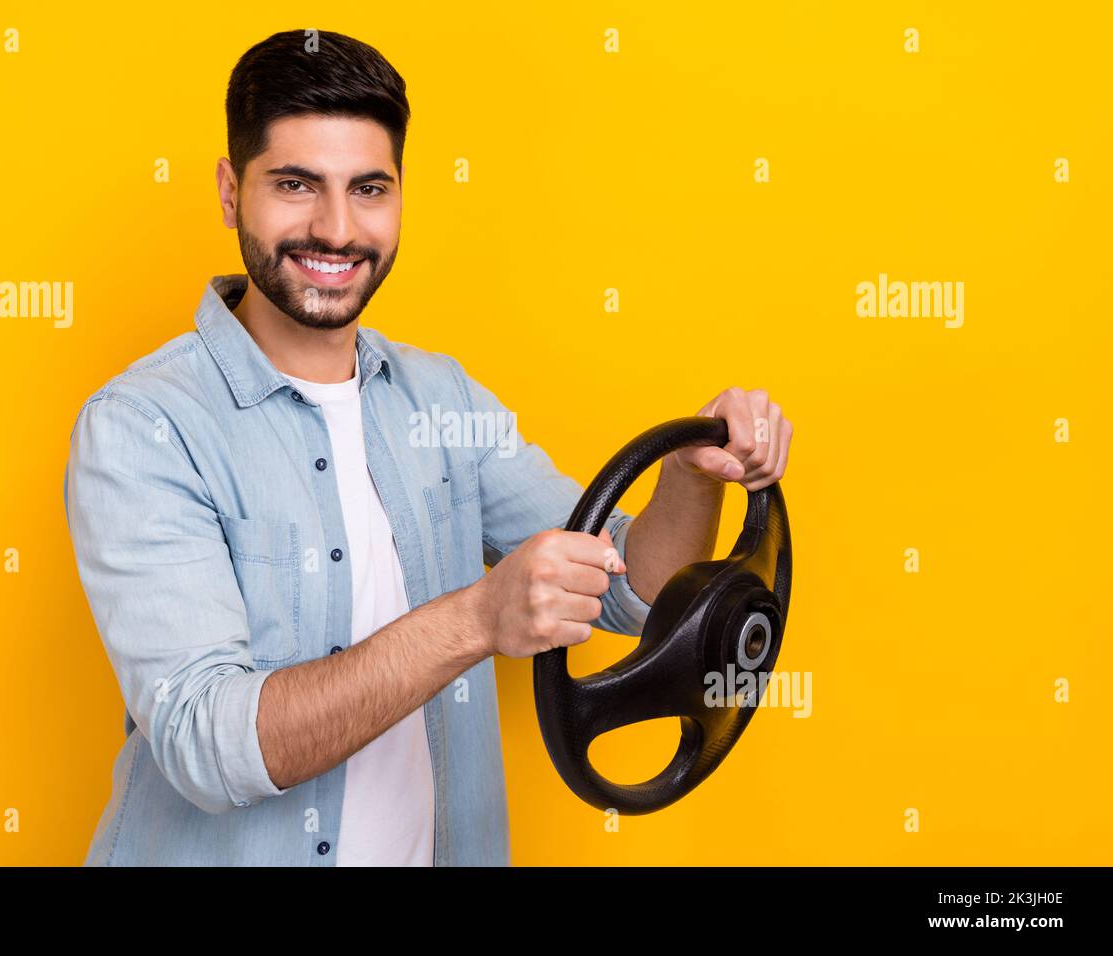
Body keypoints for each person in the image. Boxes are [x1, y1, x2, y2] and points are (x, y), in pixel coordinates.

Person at [62, 28, 792, 866]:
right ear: (232, 193)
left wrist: (691, 479)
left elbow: (632, 592)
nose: (336, 230)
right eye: (296, 185)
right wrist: (479, 617)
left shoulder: (443, 399)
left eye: (369, 189)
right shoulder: (142, 426)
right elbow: (208, 742)